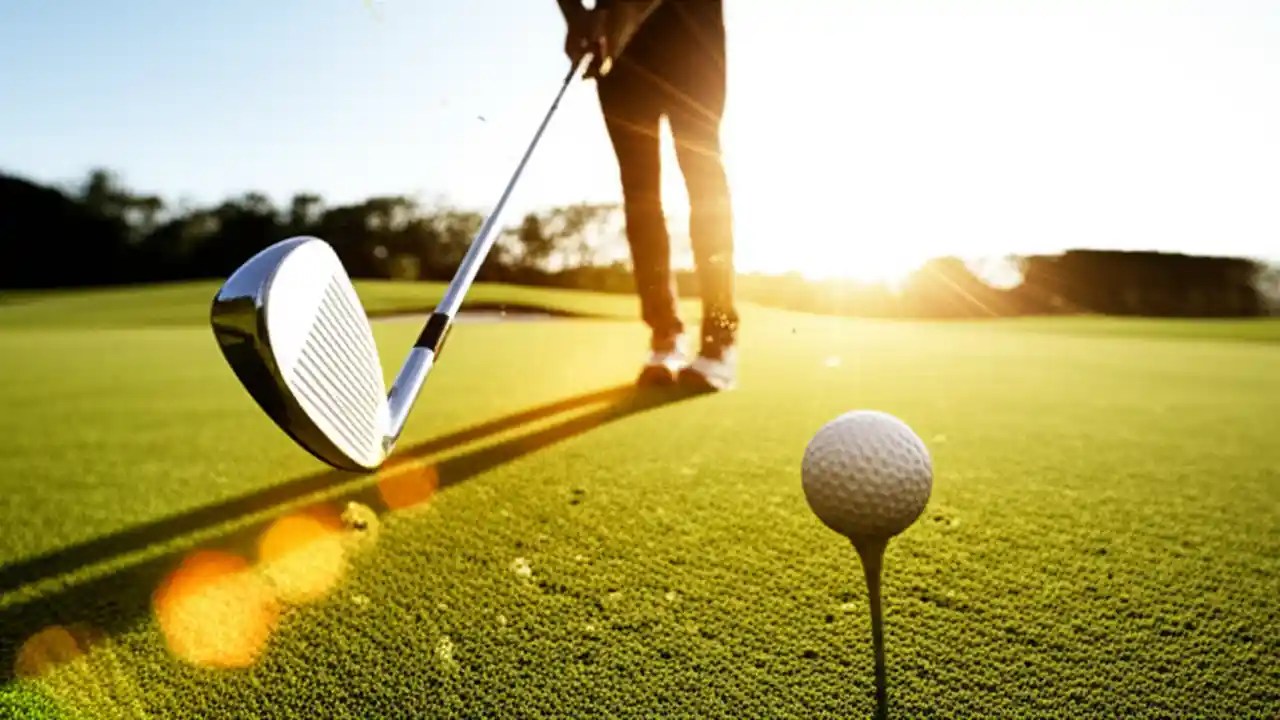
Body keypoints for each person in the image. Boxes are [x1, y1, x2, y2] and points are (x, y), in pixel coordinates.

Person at [557, 0, 739, 391]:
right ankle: (665, 334)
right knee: (640, 193)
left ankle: (719, 337)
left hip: (690, 29)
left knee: (703, 176)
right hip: (621, 51)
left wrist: (618, 16)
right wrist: (575, 16)